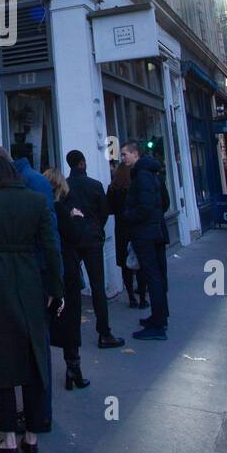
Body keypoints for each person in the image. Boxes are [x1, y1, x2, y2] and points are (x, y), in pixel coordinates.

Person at [0, 150, 64, 453]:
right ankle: (32, 437)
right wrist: (55, 288)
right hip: (29, 280)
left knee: (2, 359)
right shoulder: (36, 201)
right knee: (34, 355)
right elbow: (51, 246)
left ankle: (8, 439)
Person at [65, 149, 124, 347]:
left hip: (73, 237)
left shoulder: (65, 186)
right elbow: (104, 211)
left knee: (72, 286)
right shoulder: (95, 185)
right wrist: (96, 226)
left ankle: (71, 334)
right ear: (82, 163)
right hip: (91, 237)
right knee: (98, 285)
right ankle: (104, 332)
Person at [44, 167, 91, 389]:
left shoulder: (42, 210)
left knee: (51, 319)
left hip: (48, 273)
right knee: (71, 321)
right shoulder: (61, 210)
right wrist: (78, 219)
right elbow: (75, 238)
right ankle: (73, 368)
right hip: (67, 271)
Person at [122, 140, 170, 341]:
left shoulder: (142, 176)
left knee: (153, 278)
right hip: (156, 231)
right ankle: (160, 317)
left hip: (146, 234)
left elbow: (145, 207)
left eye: (125, 154)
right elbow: (163, 203)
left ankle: (158, 326)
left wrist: (128, 215)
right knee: (157, 276)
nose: (122, 158)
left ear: (135, 154)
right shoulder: (152, 174)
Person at [107, 160, 149, 305]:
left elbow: (109, 209)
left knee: (126, 265)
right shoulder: (136, 186)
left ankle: (131, 297)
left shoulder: (113, 188)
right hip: (137, 228)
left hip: (121, 229)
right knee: (140, 263)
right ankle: (143, 298)